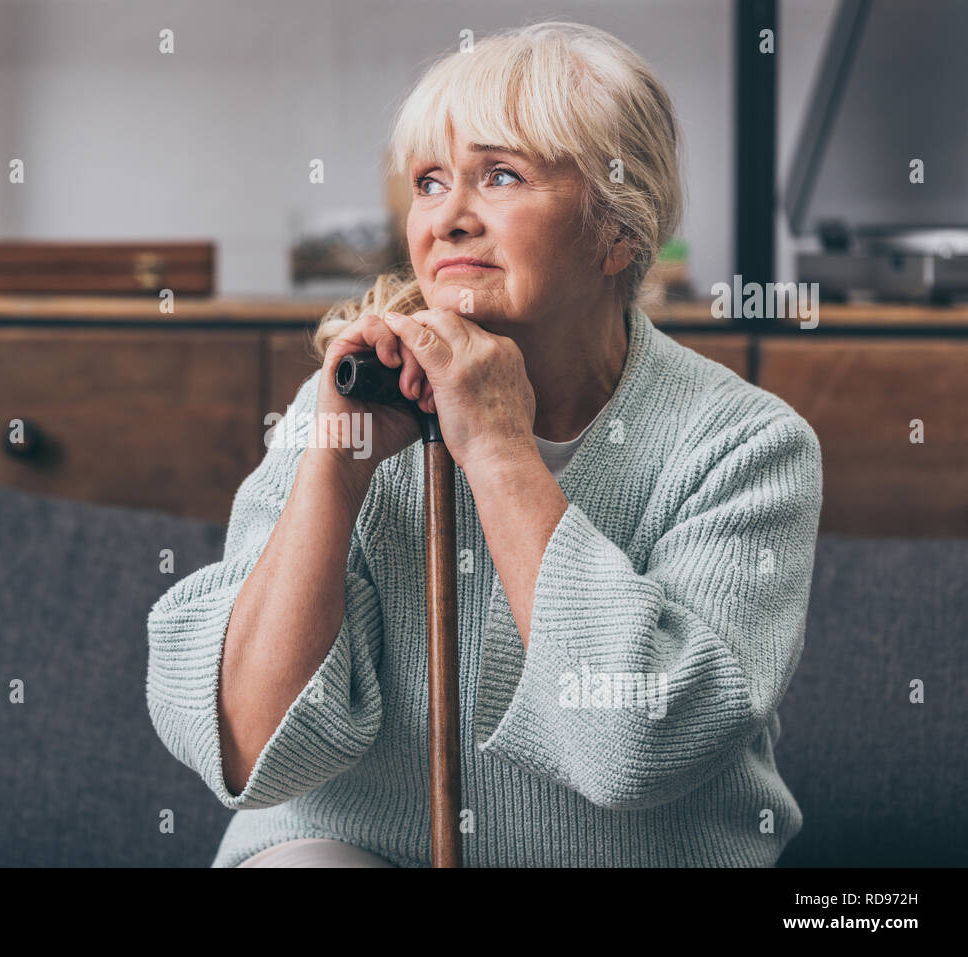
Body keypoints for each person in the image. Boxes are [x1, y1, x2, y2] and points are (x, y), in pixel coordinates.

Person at [146, 20, 822, 867]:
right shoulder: (349, 400)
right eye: (430, 183)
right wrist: (334, 470)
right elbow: (245, 746)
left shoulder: (747, 447)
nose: (448, 220)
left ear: (620, 228)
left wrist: (500, 449)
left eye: (500, 176)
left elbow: (642, 737)